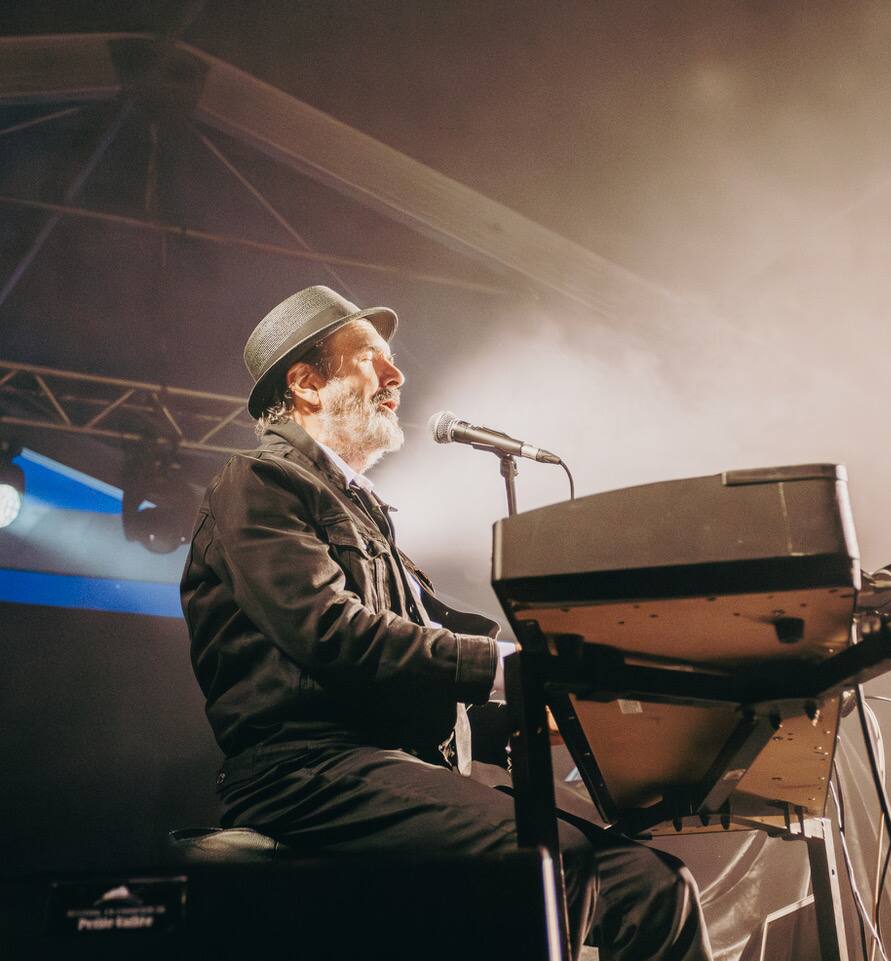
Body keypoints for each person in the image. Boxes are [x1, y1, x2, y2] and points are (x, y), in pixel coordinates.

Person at [180, 286, 713, 961]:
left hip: (389, 766)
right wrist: (505, 670)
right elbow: (329, 634)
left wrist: (565, 698)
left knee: (652, 879)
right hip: (310, 772)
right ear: (307, 384)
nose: (397, 375)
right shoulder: (258, 485)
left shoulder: (367, 518)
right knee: (586, 873)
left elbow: (435, 659)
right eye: (372, 359)